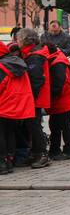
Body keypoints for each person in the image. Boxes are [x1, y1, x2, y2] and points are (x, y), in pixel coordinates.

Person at [14, 28, 49, 168]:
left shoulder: (34, 56)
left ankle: (42, 154)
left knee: (33, 125)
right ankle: (36, 153)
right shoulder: (32, 53)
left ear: (25, 40)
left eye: (18, 39)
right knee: (32, 125)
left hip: (34, 98)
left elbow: (36, 80)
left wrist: (30, 99)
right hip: (34, 97)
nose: (17, 42)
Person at [0, 42, 35, 174]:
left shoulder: (2, 66)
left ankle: (2, 162)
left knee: (1, 134)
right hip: (17, 105)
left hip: (3, 104)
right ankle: (9, 160)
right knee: (9, 132)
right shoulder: (19, 63)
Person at [45, 41, 70, 160]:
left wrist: (51, 97)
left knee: (60, 125)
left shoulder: (57, 62)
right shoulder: (58, 58)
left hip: (62, 99)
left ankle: (67, 150)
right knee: (59, 124)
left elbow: (58, 84)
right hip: (64, 98)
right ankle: (58, 150)